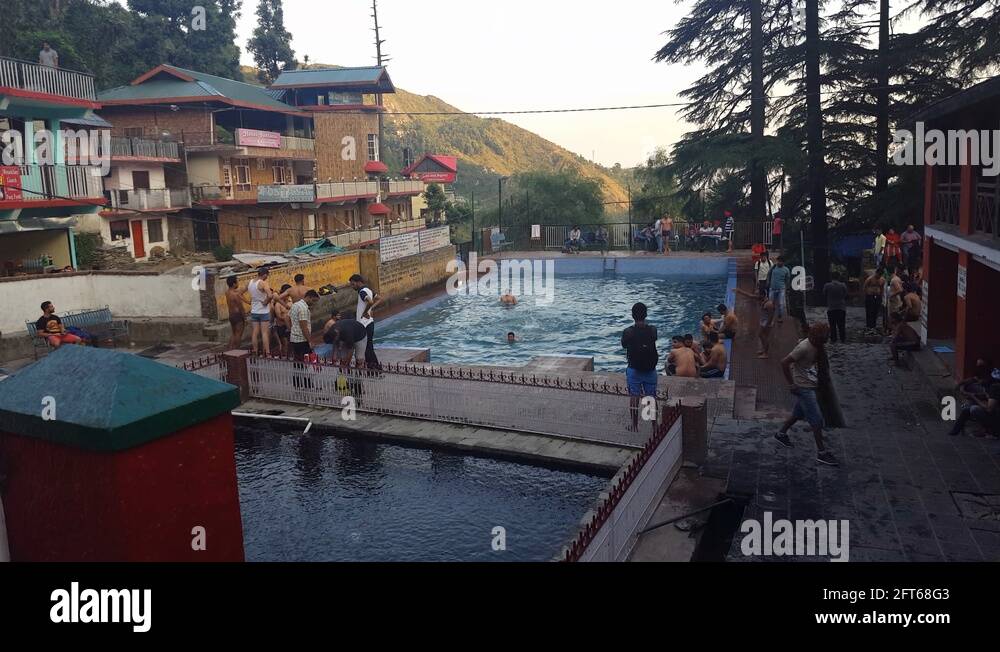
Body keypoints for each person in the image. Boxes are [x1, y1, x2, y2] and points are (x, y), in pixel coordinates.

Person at [774, 323, 838, 466]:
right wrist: (791, 384)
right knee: (817, 420)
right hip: (804, 387)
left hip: (811, 383)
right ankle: (821, 453)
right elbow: (784, 362)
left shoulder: (817, 346)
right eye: (824, 337)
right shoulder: (804, 347)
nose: (826, 340)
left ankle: (781, 434)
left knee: (798, 413)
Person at [622, 302, 659, 432]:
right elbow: (653, 339)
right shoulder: (653, 330)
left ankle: (635, 425)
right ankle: (654, 426)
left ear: (632, 315)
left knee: (634, 397)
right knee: (650, 398)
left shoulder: (628, 332)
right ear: (646, 315)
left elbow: (624, 345)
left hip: (634, 369)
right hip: (650, 370)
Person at [949, 369, 1000, 438]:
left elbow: (989, 409)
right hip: (993, 411)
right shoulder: (988, 382)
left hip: (996, 418)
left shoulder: (995, 388)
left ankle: (989, 430)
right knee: (967, 409)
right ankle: (955, 431)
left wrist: (973, 397)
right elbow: (970, 380)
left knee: (974, 409)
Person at [350, 274, 382, 370]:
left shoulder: (362, 292)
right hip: (369, 322)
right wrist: (370, 309)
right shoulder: (368, 290)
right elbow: (379, 298)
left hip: (364, 324)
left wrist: (365, 312)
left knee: (367, 348)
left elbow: (370, 302)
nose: (352, 286)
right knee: (369, 347)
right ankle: (374, 368)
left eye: (353, 284)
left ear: (358, 282)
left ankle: (374, 369)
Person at [736, 287, 776, 358]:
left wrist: (767, 325)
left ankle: (766, 353)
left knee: (764, 336)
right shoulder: (760, 298)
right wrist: (739, 291)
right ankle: (764, 350)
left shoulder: (769, 304)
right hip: (763, 321)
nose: (756, 295)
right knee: (761, 336)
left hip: (767, 322)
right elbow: (750, 295)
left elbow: (771, 315)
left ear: (762, 295)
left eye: (757, 294)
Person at [248, 267, 275, 356]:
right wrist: (265, 302)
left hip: (254, 311)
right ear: (264, 275)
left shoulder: (250, 282)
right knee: (264, 333)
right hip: (263, 312)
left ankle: (255, 351)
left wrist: (249, 302)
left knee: (255, 332)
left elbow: (240, 293)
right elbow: (270, 295)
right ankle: (267, 352)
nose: (267, 277)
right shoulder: (263, 283)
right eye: (267, 276)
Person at [289, 290, 320, 361]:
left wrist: (291, 329)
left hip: (294, 338)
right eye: (313, 301)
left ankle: (297, 371)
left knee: (297, 361)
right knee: (305, 361)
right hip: (302, 340)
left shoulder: (295, 305)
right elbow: (304, 327)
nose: (314, 303)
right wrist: (310, 341)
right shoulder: (303, 309)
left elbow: (287, 318)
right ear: (309, 297)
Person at [823, 272, 849, 344]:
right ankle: (843, 339)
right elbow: (846, 294)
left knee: (832, 325)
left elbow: (824, 293)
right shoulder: (843, 285)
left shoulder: (827, 285)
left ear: (831, 277)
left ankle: (833, 339)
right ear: (839, 277)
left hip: (831, 308)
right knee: (841, 325)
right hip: (841, 308)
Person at [225, 276, 248, 350]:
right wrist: (245, 318)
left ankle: (230, 349)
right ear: (234, 284)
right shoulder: (235, 295)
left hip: (231, 315)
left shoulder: (227, 292)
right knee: (238, 334)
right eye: (237, 282)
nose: (238, 283)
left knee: (234, 333)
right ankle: (236, 350)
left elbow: (240, 291)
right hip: (238, 315)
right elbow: (241, 307)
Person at [767, 256, 791, 324]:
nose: (779, 262)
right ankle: (770, 317)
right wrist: (768, 281)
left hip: (781, 289)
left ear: (783, 262)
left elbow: (787, 280)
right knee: (771, 304)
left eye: (781, 261)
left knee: (781, 304)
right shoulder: (774, 267)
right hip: (772, 288)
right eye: (778, 261)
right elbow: (769, 274)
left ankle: (780, 316)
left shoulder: (786, 270)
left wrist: (787, 288)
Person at [272, 284, 293, 358]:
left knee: (292, 342)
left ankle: (290, 356)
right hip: (282, 326)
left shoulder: (291, 301)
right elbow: (278, 316)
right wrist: (286, 319)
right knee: (285, 343)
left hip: (290, 325)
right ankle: (285, 356)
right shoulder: (278, 304)